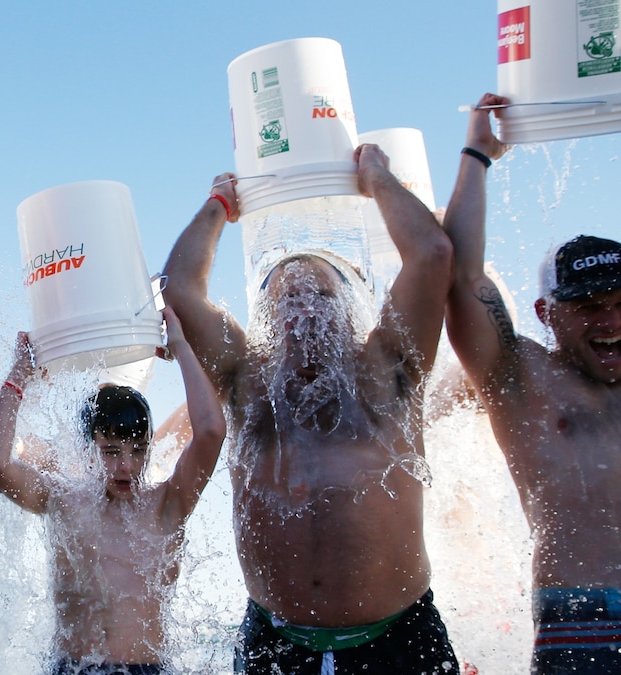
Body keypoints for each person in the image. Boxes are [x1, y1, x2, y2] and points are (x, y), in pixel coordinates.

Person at [161, 145, 458, 673]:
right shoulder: (247, 383)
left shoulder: (389, 371)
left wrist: (376, 179)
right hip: (276, 643)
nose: (305, 313)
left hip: (397, 640)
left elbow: (432, 254)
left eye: (320, 297)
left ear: (351, 311)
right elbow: (179, 290)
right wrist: (219, 205)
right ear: (267, 324)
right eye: (286, 302)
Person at [443, 84, 621, 673]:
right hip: (577, 623)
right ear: (546, 314)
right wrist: (477, 155)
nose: (613, 321)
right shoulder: (521, 379)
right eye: (590, 308)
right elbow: (461, 279)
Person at [0, 307, 226, 674]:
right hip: (75, 668)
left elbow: (210, 432)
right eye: (110, 452)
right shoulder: (62, 500)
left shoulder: (168, 505)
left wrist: (181, 346)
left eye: (138, 451)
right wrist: (20, 375)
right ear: (87, 452)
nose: (126, 465)